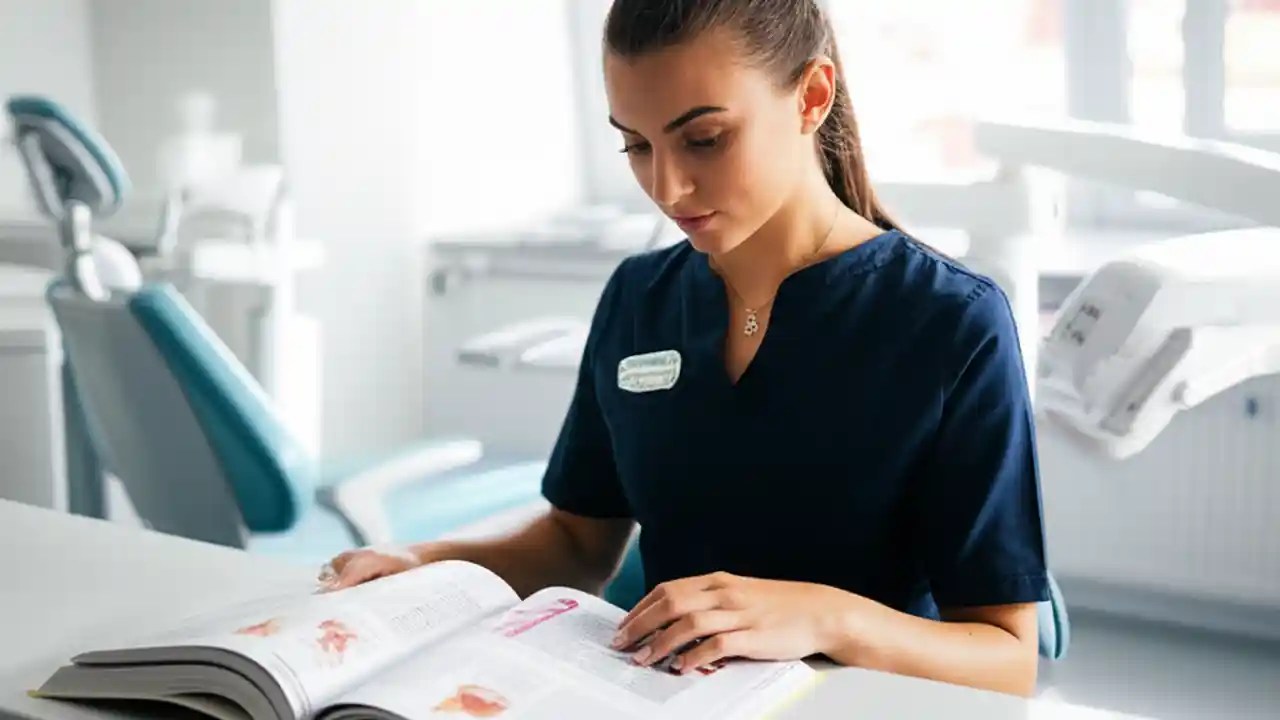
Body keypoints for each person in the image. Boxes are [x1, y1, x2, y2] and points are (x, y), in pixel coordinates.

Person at [321, 0, 1050, 698]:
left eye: (704, 138)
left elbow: (1006, 659)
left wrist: (826, 616)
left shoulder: (951, 323)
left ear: (812, 96)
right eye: (636, 145)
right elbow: (577, 543)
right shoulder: (640, 299)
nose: (666, 186)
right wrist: (424, 563)